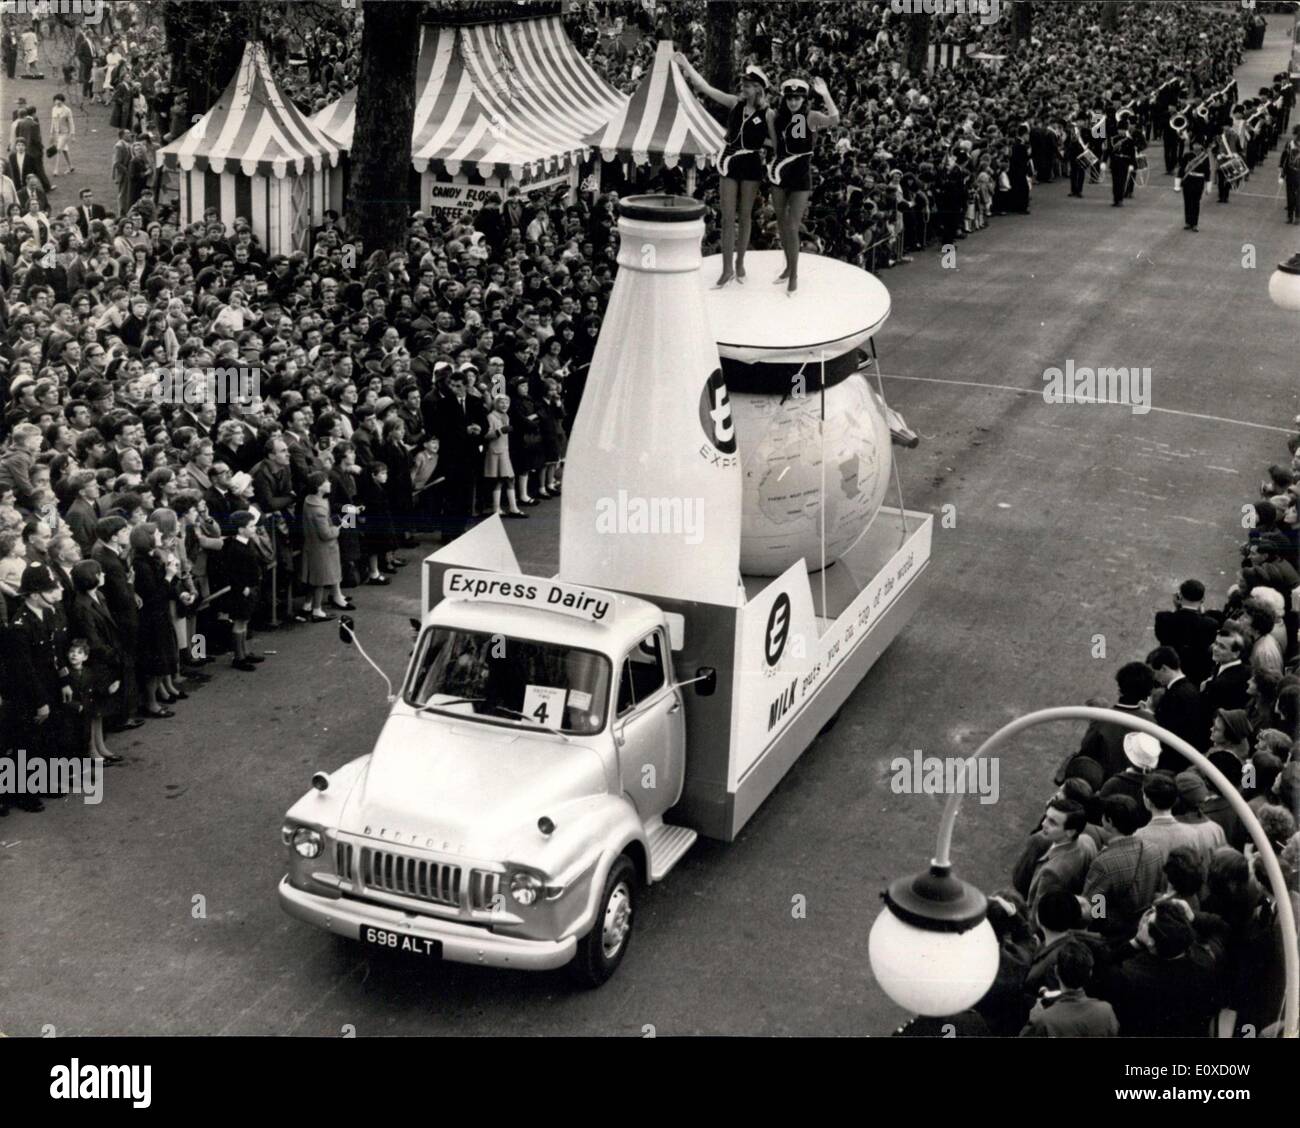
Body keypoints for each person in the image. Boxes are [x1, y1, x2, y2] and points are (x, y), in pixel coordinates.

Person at [676, 57, 770, 287]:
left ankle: (740, 263)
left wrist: (758, 144)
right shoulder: (734, 103)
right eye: (742, 84)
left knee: (745, 215)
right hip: (729, 161)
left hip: (751, 162)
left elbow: (777, 141)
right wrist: (686, 65)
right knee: (728, 217)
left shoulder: (768, 113)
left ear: (757, 88)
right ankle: (727, 268)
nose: (742, 88)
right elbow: (705, 88)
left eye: (747, 85)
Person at [766, 75, 839, 294]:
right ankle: (788, 267)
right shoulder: (777, 117)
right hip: (779, 173)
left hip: (800, 177)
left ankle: (794, 274)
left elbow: (834, 120)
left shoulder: (812, 116)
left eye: (797, 98)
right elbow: (776, 144)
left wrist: (826, 95)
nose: (793, 102)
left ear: (804, 99)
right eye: (790, 98)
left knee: (792, 225)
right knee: (781, 224)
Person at [1019, 940, 1119, 1037]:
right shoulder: (1106, 1011)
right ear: (1090, 973)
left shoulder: (1044, 1020)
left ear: (1056, 971)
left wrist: (1033, 1020)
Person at [222, 510, 265, 672]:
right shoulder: (234, 548)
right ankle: (238, 657)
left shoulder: (247, 542)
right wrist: (243, 588)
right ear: (241, 529)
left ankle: (245, 652)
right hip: (241, 591)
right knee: (239, 622)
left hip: (250, 587)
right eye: (251, 526)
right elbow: (232, 573)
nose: (254, 529)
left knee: (245, 621)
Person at [299, 471, 341, 621]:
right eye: (326, 482)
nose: (329, 483)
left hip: (311, 546)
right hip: (322, 549)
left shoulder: (310, 501)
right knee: (320, 581)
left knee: (312, 579)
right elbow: (326, 534)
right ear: (319, 487)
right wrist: (336, 529)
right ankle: (317, 611)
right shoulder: (319, 510)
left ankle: (307, 605)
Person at [482, 394, 524, 519]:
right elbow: (486, 435)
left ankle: (506, 508)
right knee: (503, 479)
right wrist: (500, 431)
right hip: (495, 451)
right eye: (501, 402)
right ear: (495, 404)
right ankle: (506, 509)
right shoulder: (490, 417)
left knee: (506, 479)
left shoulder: (506, 416)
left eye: (507, 402)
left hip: (504, 451)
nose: (505, 405)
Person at [1177, 137, 1211, 232]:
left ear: (1201, 146)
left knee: (1196, 203)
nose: (1196, 146)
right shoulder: (1187, 155)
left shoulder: (1205, 157)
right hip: (1188, 181)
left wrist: (1208, 185)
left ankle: (1195, 224)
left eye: (1198, 144)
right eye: (1195, 144)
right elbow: (1182, 169)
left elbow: (1207, 171)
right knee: (1187, 202)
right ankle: (1188, 222)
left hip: (1198, 182)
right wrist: (1178, 182)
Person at [49, 92, 74, 177]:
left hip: (65, 133)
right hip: (57, 133)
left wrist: (72, 134)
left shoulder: (67, 110)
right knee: (64, 150)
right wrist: (51, 134)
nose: (57, 102)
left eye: (59, 101)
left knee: (58, 149)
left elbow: (71, 123)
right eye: (56, 101)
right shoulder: (54, 109)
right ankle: (71, 166)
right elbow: (53, 122)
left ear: (62, 101)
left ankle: (56, 169)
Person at [1281, 125, 1300, 225]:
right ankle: (1297, 216)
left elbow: (1285, 159)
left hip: (1291, 171)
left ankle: (1290, 216)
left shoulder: (1290, 144)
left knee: (1290, 194)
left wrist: (1282, 173)